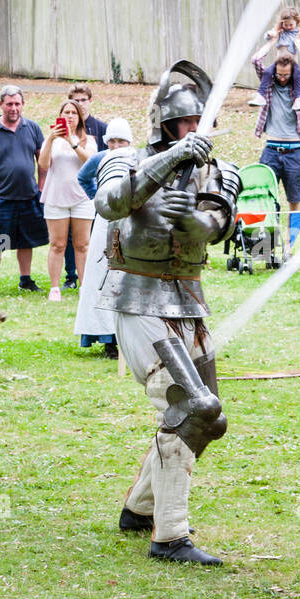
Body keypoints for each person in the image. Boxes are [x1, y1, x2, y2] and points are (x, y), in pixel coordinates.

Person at [95, 60, 240, 566]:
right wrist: (171, 160)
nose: (196, 133)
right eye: (185, 124)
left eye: (200, 124)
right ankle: (170, 536)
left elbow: (218, 225)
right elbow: (112, 202)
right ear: (165, 125)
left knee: (210, 419)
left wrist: (194, 222)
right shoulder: (126, 160)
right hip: (138, 299)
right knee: (188, 405)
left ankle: (139, 509)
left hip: (190, 302)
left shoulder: (219, 170)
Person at [0, 85, 48, 296]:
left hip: (29, 196)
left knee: (27, 241)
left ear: (23, 105)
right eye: (9, 104)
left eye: (17, 104)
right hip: (1, 198)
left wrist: (41, 187)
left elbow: (42, 160)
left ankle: (25, 280)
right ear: (1, 105)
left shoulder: (32, 128)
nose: (13, 108)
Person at [74, 117, 132, 359]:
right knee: (102, 276)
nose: (117, 146)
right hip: (105, 223)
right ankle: (107, 337)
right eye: (113, 141)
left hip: (130, 223)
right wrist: (98, 199)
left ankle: (129, 337)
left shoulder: (136, 158)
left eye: (121, 141)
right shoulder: (99, 158)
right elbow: (83, 177)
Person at [38, 100, 94, 302]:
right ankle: (54, 288)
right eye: (66, 112)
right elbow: (43, 164)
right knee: (57, 244)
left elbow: (90, 162)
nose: (70, 116)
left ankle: (84, 286)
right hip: (56, 197)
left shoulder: (89, 140)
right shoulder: (52, 140)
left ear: (79, 117)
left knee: (82, 244)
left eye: (73, 113)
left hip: (82, 198)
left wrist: (73, 142)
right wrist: (51, 139)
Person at [252, 51, 300, 213]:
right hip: (271, 151)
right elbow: (256, 60)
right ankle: (271, 237)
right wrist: (273, 38)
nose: (283, 78)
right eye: (279, 74)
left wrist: (299, 43)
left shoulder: (299, 87)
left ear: (293, 73)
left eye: (287, 74)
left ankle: (290, 239)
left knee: (294, 201)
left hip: (295, 152)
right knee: (265, 197)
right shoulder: (269, 86)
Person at [64, 83, 110, 288]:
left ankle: (93, 275)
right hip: (68, 189)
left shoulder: (101, 128)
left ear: (91, 101)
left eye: (84, 100)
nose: (80, 104)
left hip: (94, 190)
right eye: (76, 100)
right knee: (68, 237)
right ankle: (70, 275)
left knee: (92, 236)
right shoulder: (66, 128)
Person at [247, 6, 300, 111]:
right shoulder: (280, 32)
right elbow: (267, 36)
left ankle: (299, 99)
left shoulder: (299, 34)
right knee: (268, 72)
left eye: (291, 25)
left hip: (292, 64)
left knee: (298, 76)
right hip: (279, 63)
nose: (288, 27)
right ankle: (261, 95)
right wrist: (271, 34)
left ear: (297, 21)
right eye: (285, 24)